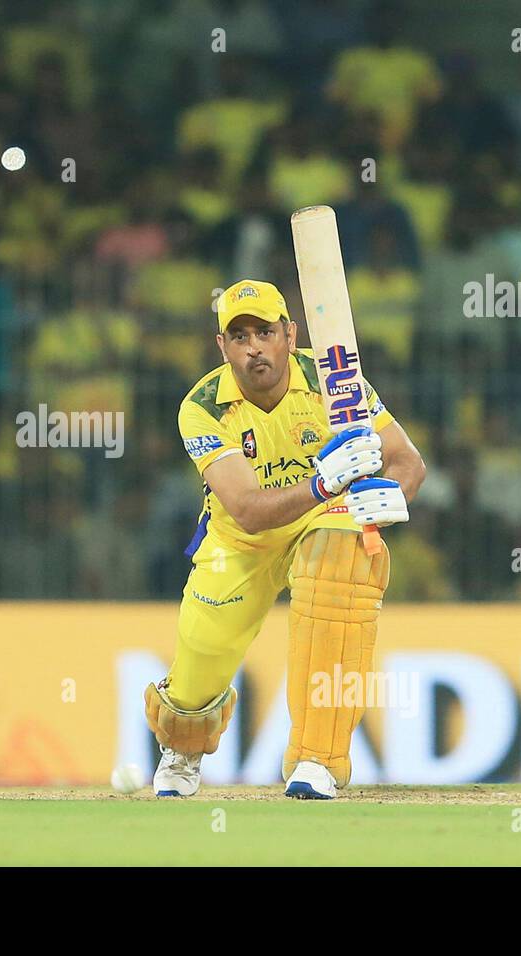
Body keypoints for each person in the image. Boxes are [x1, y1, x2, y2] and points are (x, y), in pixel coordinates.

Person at [146, 279, 426, 798]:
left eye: (265, 331)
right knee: (198, 663)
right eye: (239, 336)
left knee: (339, 567)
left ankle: (317, 760)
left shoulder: (335, 382)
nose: (254, 346)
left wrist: (391, 495)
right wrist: (324, 480)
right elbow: (250, 512)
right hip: (242, 542)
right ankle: (183, 746)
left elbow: (407, 460)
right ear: (222, 347)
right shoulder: (203, 407)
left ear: (290, 334)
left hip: (325, 518)